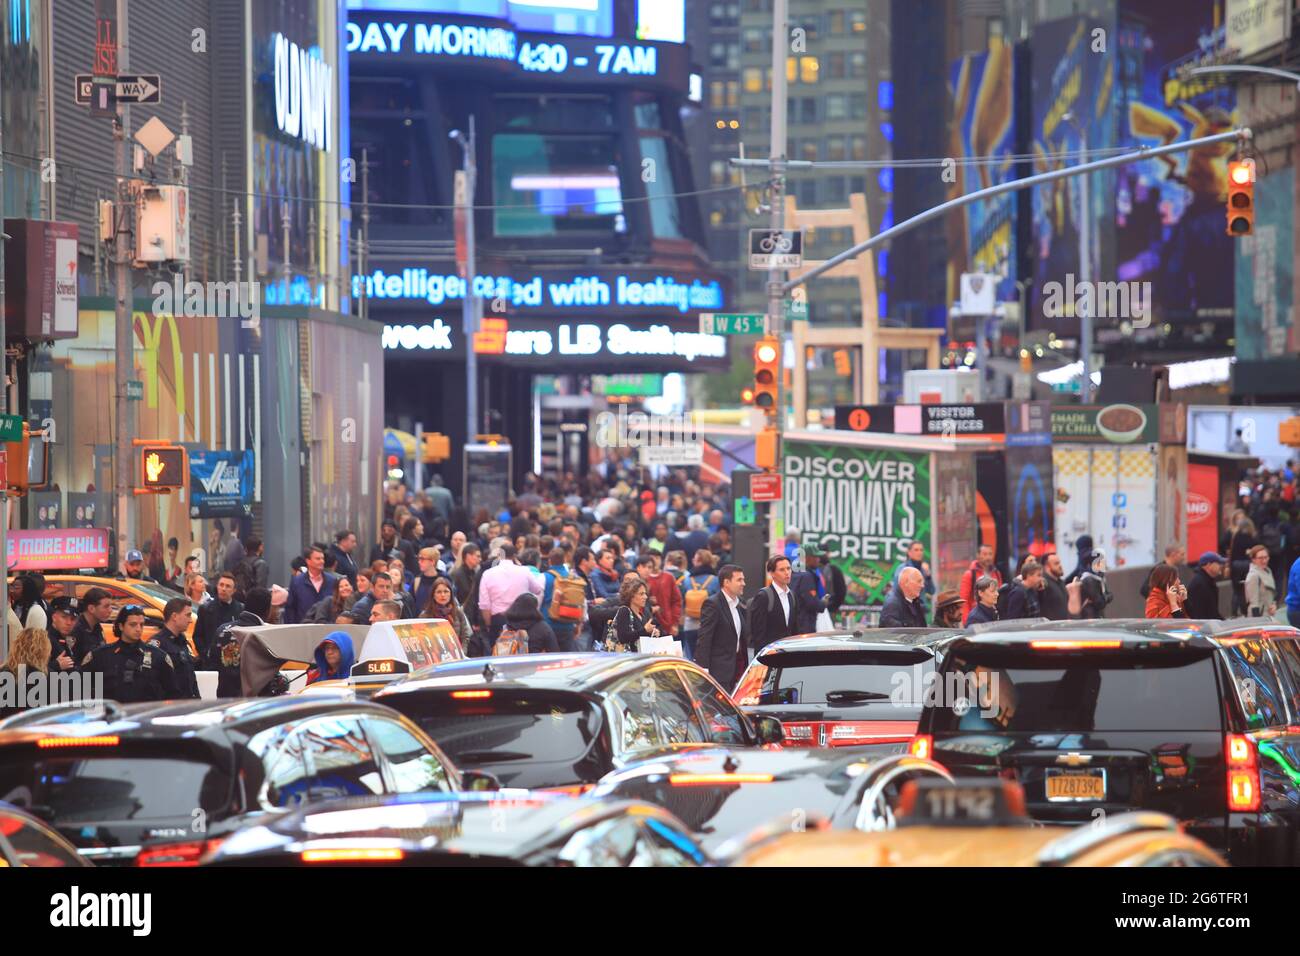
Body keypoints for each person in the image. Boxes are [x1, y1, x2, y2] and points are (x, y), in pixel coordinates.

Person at [84, 605, 179, 702]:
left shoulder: (158, 657)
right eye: (133, 625)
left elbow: (173, 694)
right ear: (121, 626)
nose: (138, 629)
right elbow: (80, 689)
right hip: (113, 715)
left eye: (141, 625)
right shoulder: (101, 656)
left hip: (146, 714)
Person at [477, 543, 544, 645]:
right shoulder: (524, 571)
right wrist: (521, 567)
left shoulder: (488, 574)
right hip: (522, 620)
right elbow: (538, 589)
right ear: (514, 556)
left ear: (499, 555)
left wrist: (489, 625)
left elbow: (484, 605)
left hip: (498, 620)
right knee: (522, 653)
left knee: (498, 655)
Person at [695, 564, 749, 689]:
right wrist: (703, 669)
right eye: (739, 580)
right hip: (718, 673)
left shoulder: (741, 604)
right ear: (726, 582)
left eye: (743, 579)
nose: (743, 583)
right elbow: (704, 638)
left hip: (737, 671)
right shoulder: (712, 604)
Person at [152, 598, 200, 698]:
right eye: (188, 615)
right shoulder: (158, 644)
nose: (190, 620)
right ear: (174, 616)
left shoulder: (182, 642)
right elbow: (153, 682)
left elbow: (190, 676)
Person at [194, 572, 244, 666]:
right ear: (217, 586)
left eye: (228, 586)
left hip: (233, 663)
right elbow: (197, 636)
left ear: (234, 590)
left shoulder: (240, 609)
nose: (223, 589)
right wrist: (205, 654)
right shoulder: (206, 609)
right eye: (221, 585)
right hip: (211, 662)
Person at [597, 578, 660, 653]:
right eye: (641, 594)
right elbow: (623, 637)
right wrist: (645, 630)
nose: (645, 597)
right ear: (631, 596)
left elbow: (638, 636)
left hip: (637, 658)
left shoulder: (642, 614)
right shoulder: (624, 611)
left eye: (645, 593)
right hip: (625, 659)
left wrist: (652, 633)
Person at [0, 629, 52, 718]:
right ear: (44, 650)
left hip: (5, 728)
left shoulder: (3, 672)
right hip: (33, 729)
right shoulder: (48, 677)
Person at [749, 554, 796, 653]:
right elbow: (758, 633)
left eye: (788, 568)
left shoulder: (791, 595)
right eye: (782, 570)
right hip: (770, 655)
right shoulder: (764, 596)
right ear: (772, 573)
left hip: (789, 653)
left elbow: (794, 628)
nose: (787, 573)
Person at [679, 549, 719, 662]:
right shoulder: (715, 580)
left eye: (695, 559)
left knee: (691, 657)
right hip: (709, 623)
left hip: (690, 623)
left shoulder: (687, 580)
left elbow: (681, 600)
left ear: (699, 561)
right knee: (707, 657)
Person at [540, 549, 581, 652]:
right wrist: (578, 624)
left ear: (549, 561)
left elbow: (538, 602)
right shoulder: (573, 578)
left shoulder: (544, 577)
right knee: (565, 658)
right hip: (568, 623)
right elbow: (580, 602)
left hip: (548, 623)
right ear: (564, 560)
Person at [283, 546, 336, 624]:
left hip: (327, 629)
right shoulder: (297, 582)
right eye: (318, 559)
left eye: (323, 558)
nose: (322, 561)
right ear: (308, 561)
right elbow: (290, 609)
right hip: (303, 629)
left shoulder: (332, 581)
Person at [420, 577, 473, 648]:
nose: (443, 595)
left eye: (446, 591)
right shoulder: (425, 616)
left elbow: (465, 637)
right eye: (439, 592)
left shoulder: (458, 612)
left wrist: (462, 653)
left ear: (451, 594)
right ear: (433, 595)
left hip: (458, 654)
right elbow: (423, 640)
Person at [642, 551, 684, 640]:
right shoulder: (643, 579)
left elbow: (677, 601)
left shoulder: (668, 577)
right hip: (648, 624)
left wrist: (674, 623)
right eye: (652, 558)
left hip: (667, 624)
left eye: (657, 558)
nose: (654, 561)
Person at [959, 544, 1003, 621]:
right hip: (977, 616)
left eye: (990, 554)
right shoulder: (969, 574)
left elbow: (999, 595)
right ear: (978, 555)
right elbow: (963, 600)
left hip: (992, 615)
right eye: (985, 554)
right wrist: (966, 620)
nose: (988, 557)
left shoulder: (996, 573)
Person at [890, 540, 935, 613]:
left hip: (920, 610)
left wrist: (928, 575)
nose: (919, 552)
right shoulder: (902, 569)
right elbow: (897, 589)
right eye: (916, 550)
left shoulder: (924, 569)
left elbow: (931, 591)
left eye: (921, 550)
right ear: (909, 552)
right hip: (906, 610)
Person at [71, 587, 114, 664]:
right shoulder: (75, 629)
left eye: (111, 606)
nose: (110, 610)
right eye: (106, 606)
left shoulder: (97, 627)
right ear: (91, 608)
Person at [1185, 551, 1226, 620]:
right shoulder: (1199, 584)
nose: (1221, 566)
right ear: (1208, 565)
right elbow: (1199, 613)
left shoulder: (1208, 581)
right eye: (1218, 563)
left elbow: (1213, 612)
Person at [47, 597, 82, 673]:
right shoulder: (44, 640)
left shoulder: (71, 638)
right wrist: (55, 665)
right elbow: (30, 671)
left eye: (73, 619)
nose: (69, 623)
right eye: (64, 617)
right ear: (54, 617)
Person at [1244, 544, 1277, 617]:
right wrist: (1258, 622)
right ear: (1253, 559)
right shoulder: (1253, 576)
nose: (1264, 560)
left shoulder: (1268, 571)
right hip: (1259, 617)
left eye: (1266, 557)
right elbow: (1253, 603)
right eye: (1260, 558)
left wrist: (1274, 605)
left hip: (1269, 615)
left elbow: (1271, 594)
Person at [1078, 550, 1112, 620]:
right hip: (1090, 617)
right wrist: (1106, 597)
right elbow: (1099, 603)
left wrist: (1105, 597)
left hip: (1097, 615)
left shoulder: (1099, 578)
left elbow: (1108, 594)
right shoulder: (1088, 579)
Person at [1038, 552, 1072, 621]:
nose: (1060, 566)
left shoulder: (1061, 582)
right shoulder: (1043, 583)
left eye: (1059, 563)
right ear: (1047, 566)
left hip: (1064, 626)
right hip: (1050, 628)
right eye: (1056, 563)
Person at [411, 547, 443, 613]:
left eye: (422, 559)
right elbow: (411, 604)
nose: (419, 562)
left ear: (432, 561)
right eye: (419, 559)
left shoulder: (444, 580)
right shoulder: (417, 581)